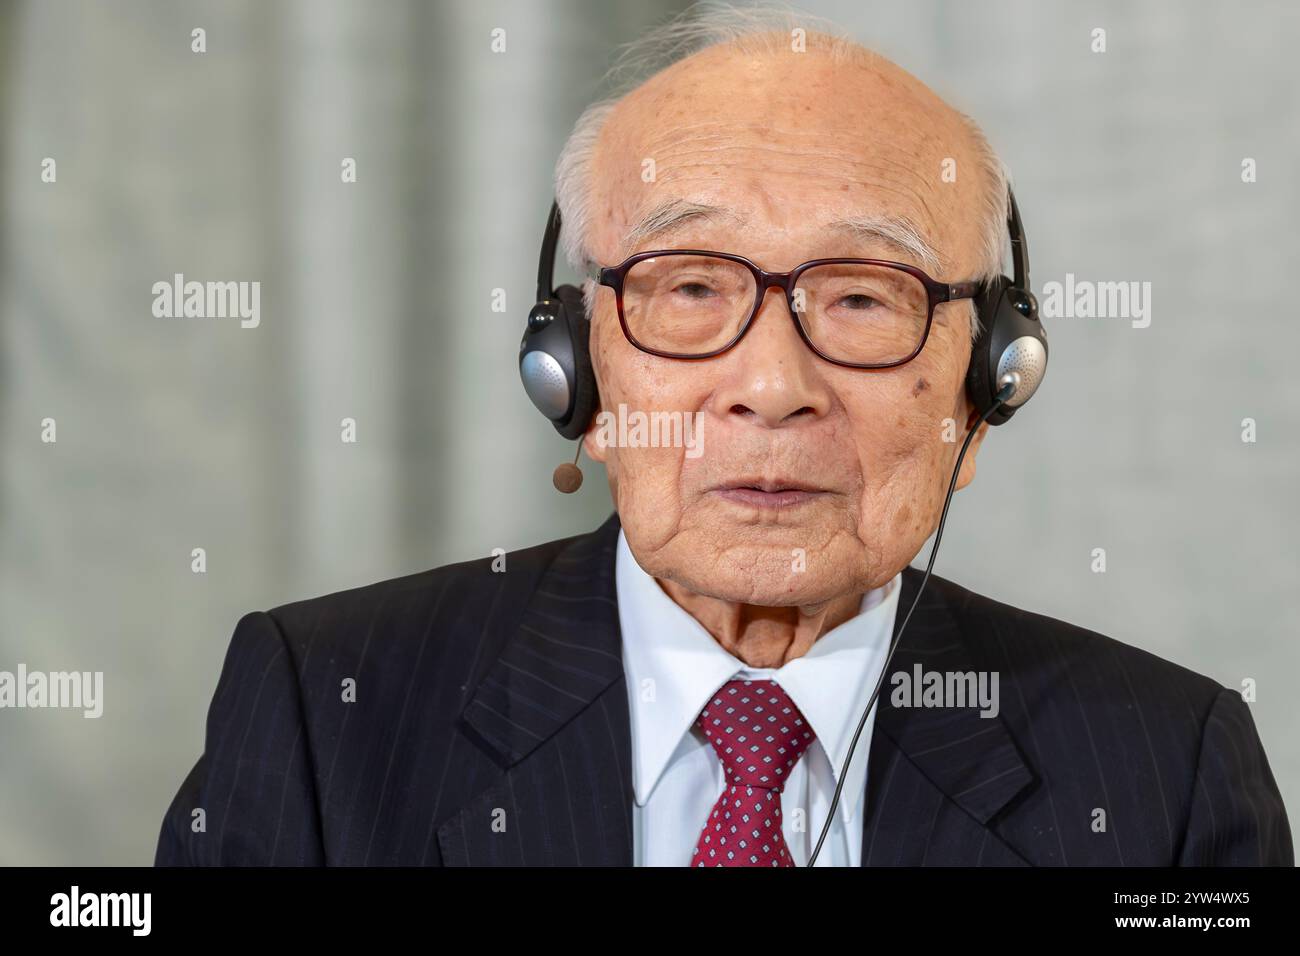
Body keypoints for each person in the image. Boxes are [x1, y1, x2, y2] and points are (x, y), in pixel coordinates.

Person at [156, 5, 1291, 867]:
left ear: (984, 387)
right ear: (576, 370)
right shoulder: (324, 713)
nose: (770, 386)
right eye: (689, 286)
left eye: (862, 297)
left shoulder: (1166, 772)